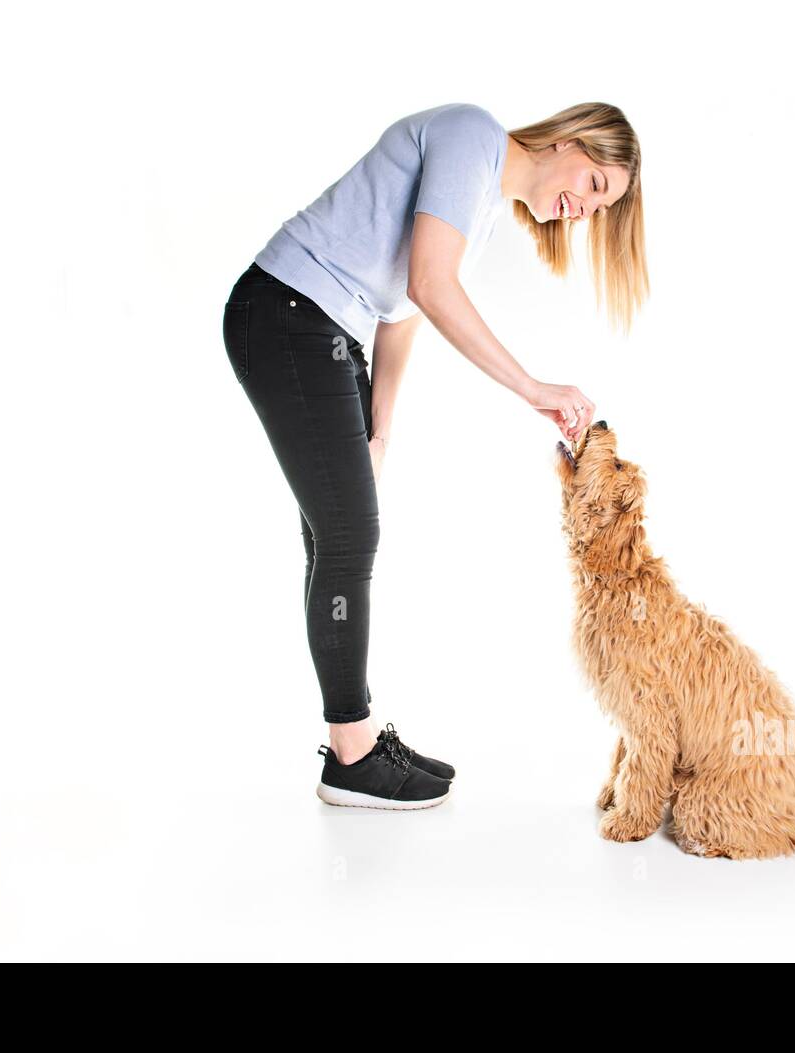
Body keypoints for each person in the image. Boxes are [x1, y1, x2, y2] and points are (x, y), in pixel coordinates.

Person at [221, 101, 648, 809]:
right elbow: (429, 284)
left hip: (325, 330)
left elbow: (401, 312)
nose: (584, 211)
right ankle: (351, 754)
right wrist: (532, 386)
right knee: (349, 538)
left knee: (337, 537)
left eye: (599, 209)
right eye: (596, 187)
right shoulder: (472, 136)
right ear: (570, 141)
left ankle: (354, 737)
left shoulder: (478, 206)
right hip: (288, 311)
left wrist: (379, 430)